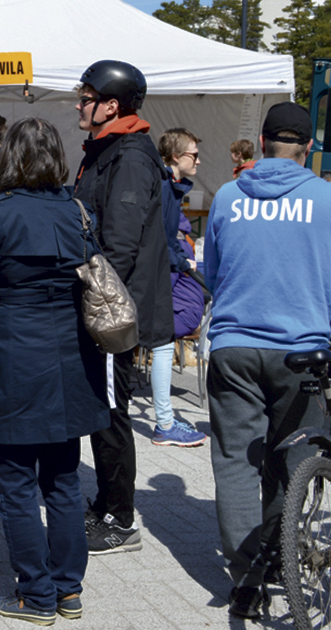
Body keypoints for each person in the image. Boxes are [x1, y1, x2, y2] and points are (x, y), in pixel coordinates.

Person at [203, 102, 331, 618]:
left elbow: (213, 270)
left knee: (235, 462)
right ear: (309, 146)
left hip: (233, 345)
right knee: (292, 458)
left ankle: (246, 578)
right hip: (302, 349)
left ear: (263, 141)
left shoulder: (229, 196)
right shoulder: (328, 199)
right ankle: (281, 561)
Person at [0, 116, 110, 624]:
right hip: (70, 358)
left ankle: (36, 595)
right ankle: (67, 589)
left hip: (12, 356)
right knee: (62, 481)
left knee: (17, 482)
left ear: (10, 157)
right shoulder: (77, 211)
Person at [72, 59, 172, 556]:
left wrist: (87, 297)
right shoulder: (106, 150)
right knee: (102, 411)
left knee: (111, 413)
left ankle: (119, 520)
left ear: (111, 105)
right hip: (104, 305)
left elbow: (119, 246)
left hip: (113, 313)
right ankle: (106, 503)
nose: (78, 103)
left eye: (86, 96)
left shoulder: (129, 157)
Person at [151, 128, 208, 447]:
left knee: (159, 345)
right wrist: (184, 263)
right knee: (160, 344)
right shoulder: (164, 188)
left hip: (161, 274)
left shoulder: (169, 186)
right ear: (176, 157)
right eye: (193, 155)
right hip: (158, 276)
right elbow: (160, 237)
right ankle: (165, 423)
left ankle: (165, 421)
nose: (198, 160)